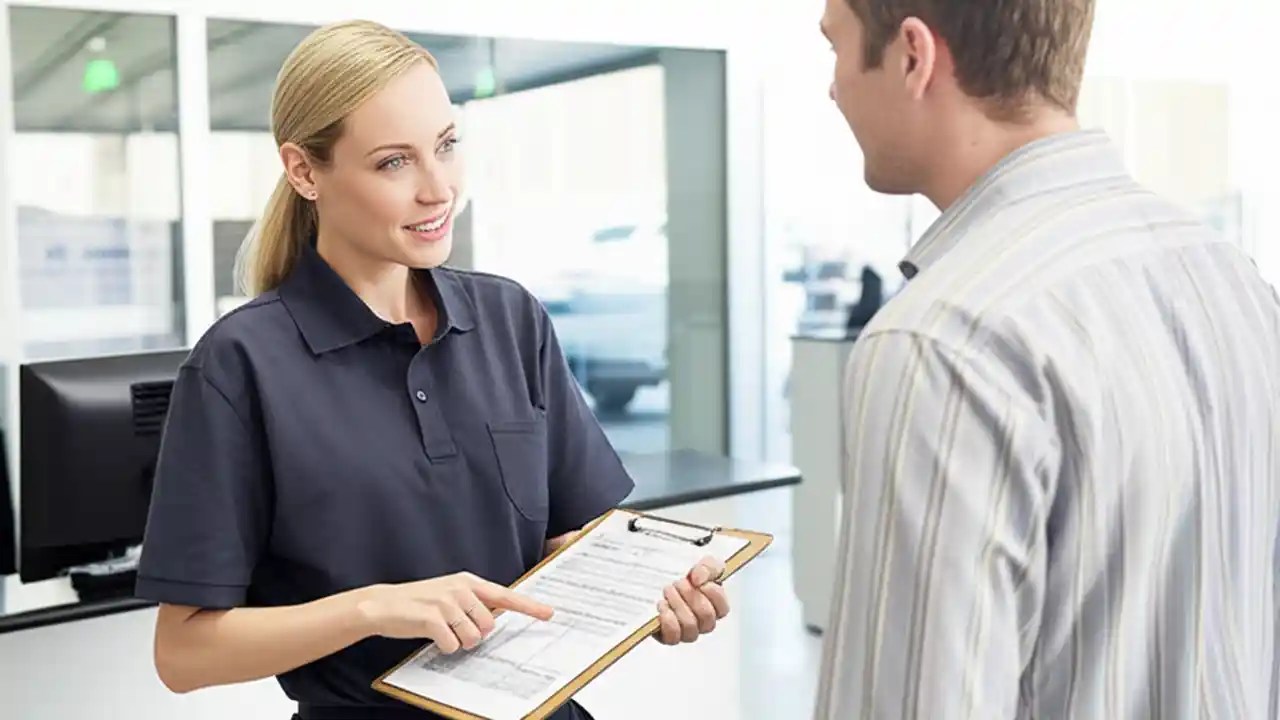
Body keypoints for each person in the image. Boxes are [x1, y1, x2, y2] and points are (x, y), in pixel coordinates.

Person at [135, 20, 729, 720]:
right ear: (304, 172)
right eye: (394, 162)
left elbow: (564, 544)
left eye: (446, 145)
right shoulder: (240, 364)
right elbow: (184, 653)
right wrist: (370, 609)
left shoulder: (511, 320)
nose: (439, 188)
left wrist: (647, 593)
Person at [814, 1, 1280, 718]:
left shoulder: (939, 343)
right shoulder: (1233, 280)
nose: (834, 88)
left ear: (913, 56)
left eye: (836, 50)